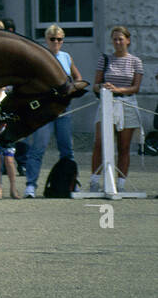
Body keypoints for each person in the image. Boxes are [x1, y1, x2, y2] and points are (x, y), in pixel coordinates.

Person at [24, 24, 82, 198]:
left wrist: (74, 87)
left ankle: (70, 181)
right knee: (38, 147)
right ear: (47, 40)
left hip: (63, 108)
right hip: (45, 108)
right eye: (52, 39)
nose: (56, 42)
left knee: (66, 147)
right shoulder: (41, 56)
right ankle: (31, 184)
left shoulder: (66, 57)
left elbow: (78, 77)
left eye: (59, 39)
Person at [90, 25, 143, 192]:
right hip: (107, 103)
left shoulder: (136, 61)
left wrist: (118, 89)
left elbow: (136, 87)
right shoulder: (105, 59)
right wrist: (103, 86)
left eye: (121, 39)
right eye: (115, 39)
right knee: (99, 143)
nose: (118, 42)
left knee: (124, 146)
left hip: (127, 103)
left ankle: (120, 184)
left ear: (128, 40)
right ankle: (94, 181)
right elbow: (95, 85)